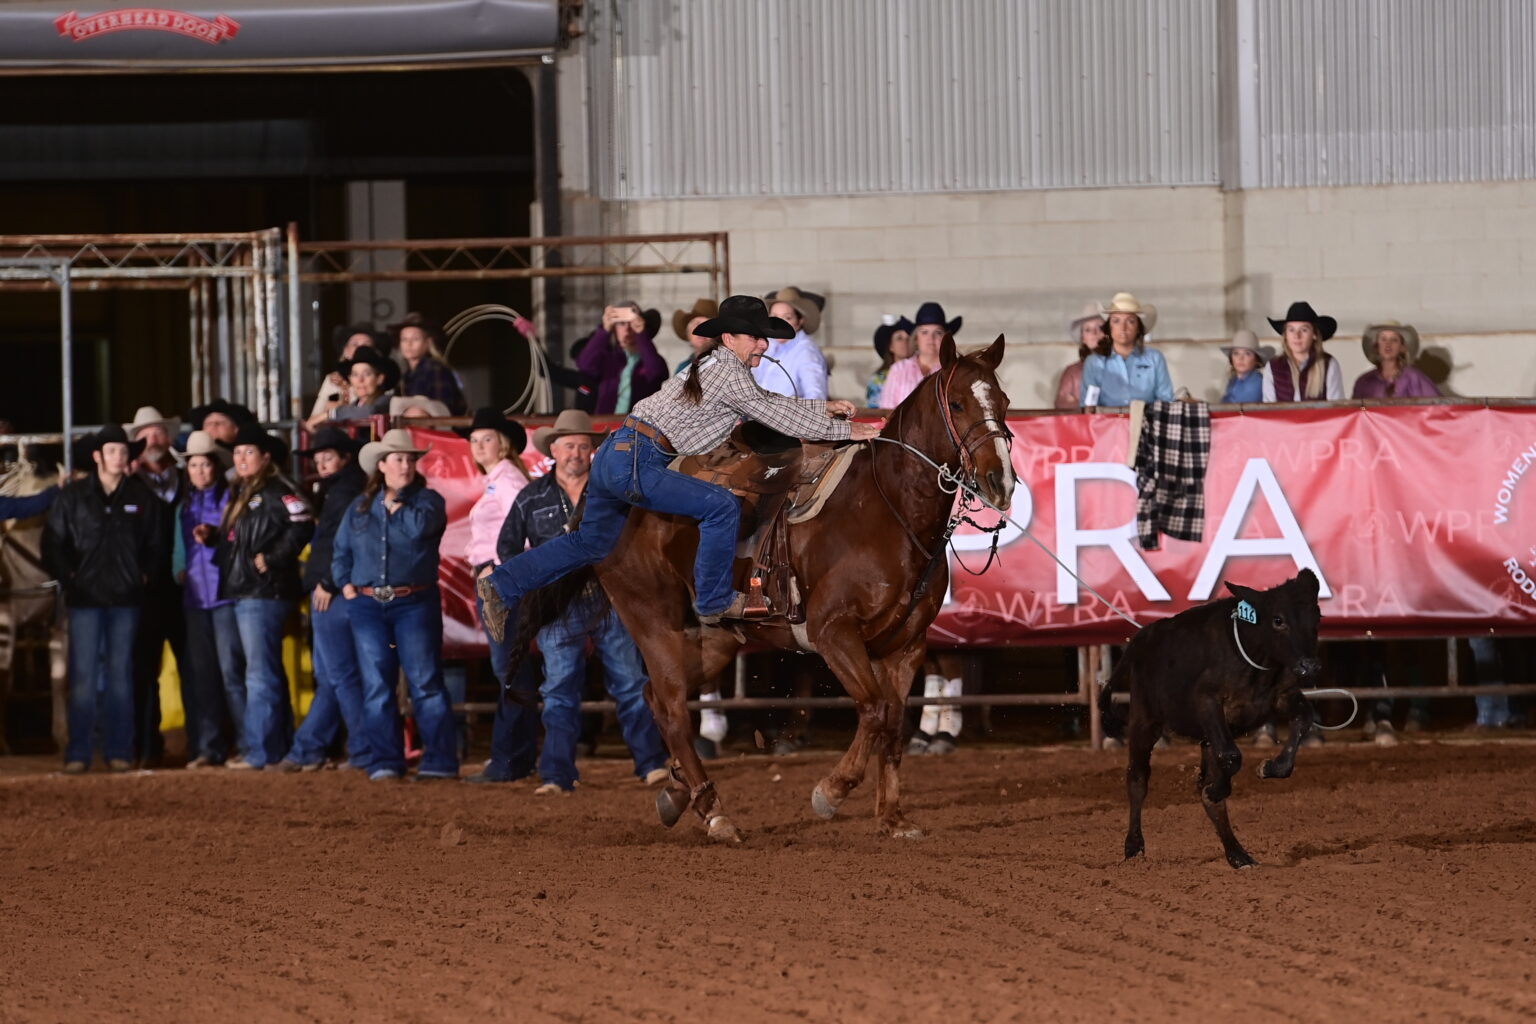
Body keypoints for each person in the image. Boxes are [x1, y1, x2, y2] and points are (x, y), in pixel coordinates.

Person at [479, 294, 882, 635]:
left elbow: (766, 404)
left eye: (764, 337)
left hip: (615, 455)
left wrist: (822, 407)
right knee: (722, 506)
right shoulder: (727, 370)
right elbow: (768, 412)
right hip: (640, 459)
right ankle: (714, 599)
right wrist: (845, 431)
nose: (763, 344)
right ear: (729, 338)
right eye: (756, 337)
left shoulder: (716, 366)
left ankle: (501, 585)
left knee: (590, 542)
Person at [495, 410, 670, 794]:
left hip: (611, 599)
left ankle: (651, 763)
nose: (576, 452)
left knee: (629, 683)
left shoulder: (611, 491)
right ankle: (558, 775)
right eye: (569, 445)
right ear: (553, 449)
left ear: (593, 450)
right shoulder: (532, 496)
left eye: (583, 445)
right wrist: (532, 586)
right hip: (559, 605)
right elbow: (507, 548)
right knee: (560, 689)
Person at [332, 429, 456, 781]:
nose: (405, 464)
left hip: (414, 600)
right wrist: (347, 586)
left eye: (410, 459)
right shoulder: (359, 508)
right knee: (377, 685)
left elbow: (419, 529)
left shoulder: (428, 501)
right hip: (370, 605)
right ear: (382, 465)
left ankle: (440, 761)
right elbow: (341, 552)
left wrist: (396, 505)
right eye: (398, 458)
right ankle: (386, 760)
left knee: (425, 681)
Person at [42, 425, 164, 773]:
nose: (119, 457)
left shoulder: (142, 498)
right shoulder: (73, 497)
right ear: (98, 456)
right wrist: (70, 576)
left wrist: (144, 575)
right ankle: (79, 752)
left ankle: (118, 750)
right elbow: (52, 543)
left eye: (124, 452)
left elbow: (156, 545)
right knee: (82, 676)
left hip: (126, 598)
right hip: (85, 599)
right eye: (113, 451)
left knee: (120, 675)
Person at [216, 423, 313, 770]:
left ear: (265, 457)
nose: (241, 458)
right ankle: (272, 746)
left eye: (249, 452)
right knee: (263, 671)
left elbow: (303, 521)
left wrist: (272, 558)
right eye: (238, 452)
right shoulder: (246, 492)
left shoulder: (274, 490)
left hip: (263, 592)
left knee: (259, 674)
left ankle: (261, 751)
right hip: (251, 590)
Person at [275, 428, 371, 772]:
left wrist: (329, 581)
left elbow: (341, 542)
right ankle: (314, 747)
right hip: (335, 587)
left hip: (331, 590)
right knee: (336, 675)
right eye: (318, 459)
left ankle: (350, 749)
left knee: (339, 674)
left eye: (327, 457)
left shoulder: (343, 491)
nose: (321, 464)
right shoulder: (342, 489)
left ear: (345, 458)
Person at [453, 408, 539, 784]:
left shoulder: (506, 481)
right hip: (498, 578)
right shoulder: (502, 478)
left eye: (486, 438)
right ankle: (515, 757)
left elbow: (524, 531)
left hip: (500, 579)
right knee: (511, 668)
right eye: (474, 440)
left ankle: (508, 759)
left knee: (509, 669)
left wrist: (500, 567)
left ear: (502, 444)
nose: (478, 446)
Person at [171, 430, 246, 768]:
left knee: (232, 674)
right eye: (194, 465)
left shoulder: (230, 500)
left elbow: (234, 541)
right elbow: (178, 549)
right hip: (196, 600)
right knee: (205, 676)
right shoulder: (185, 505)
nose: (199, 471)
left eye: (205, 464)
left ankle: (247, 743)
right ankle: (210, 747)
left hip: (224, 598)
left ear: (215, 467)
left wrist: (214, 539)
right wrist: (178, 571)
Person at [125, 405, 186, 765]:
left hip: (185, 590)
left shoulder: (188, 477)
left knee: (194, 669)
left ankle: (206, 744)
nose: (154, 439)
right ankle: (146, 747)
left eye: (160, 432)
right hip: (144, 592)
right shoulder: (129, 485)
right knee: (143, 671)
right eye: (146, 434)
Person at [1080, 292, 1174, 407]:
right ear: (1109, 327)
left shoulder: (1155, 358)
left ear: (1138, 327)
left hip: (1147, 422)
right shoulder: (1094, 362)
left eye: (1130, 321)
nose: (1123, 328)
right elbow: (1088, 406)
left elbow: (1166, 400)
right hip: (1106, 423)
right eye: (1116, 321)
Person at [576, 301, 669, 415]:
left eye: (631, 322)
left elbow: (656, 374)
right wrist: (604, 330)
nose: (627, 329)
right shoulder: (609, 359)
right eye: (621, 323)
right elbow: (584, 365)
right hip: (608, 426)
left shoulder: (650, 358)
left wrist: (641, 334)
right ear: (614, 328)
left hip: (639, 427)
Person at [879, 301, 962, 408]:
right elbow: (887, 411)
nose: (931, 338)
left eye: (938, 332)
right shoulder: (899, 370)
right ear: (916, 338)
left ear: (946, 338)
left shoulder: (956, 371)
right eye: (924, 332)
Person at [1261, 300, 1345, 402]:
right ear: (1286, 335)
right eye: (1291, 330)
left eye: (1304, 330)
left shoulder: (1329, 364)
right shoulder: (1273, 366)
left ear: (1314, 335)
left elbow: (1336, 408)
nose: (1297, 336)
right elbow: (1269, 410)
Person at [756, 286, 830, 400]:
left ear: (799, 321)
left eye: (787, 318)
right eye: (774, 317)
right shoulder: (769, 345)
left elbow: (816, 397)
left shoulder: (806, 352)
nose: (779, 323)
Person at [307, 325, 387, 425]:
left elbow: (373, 410)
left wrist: (336, 411)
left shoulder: (383, 381)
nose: (361, 349)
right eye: (355, 344)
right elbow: (315, 416)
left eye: (366, 345)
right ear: (346, 351)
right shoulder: (332, 379)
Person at [395, 312, 467, 415]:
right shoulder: (407, 375)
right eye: (404, 339)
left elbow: (444, 407)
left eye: (415, 339)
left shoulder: (434, 368)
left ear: (428, 342)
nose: (408, 344)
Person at [310, 346, 399, 429]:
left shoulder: (386, 401)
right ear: (350, 379)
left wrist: (330, 414)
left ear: (380, 379)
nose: (360, 380)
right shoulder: (355, 404)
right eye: (355, 374)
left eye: (367, 374)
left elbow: (370, 412)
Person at [1352, 320, 1440, 399]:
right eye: (1383, 339)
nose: (1388, 344)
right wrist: (1365, 410)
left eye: (1394, 340)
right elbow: (1357, 411)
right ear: (1376, 346)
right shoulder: (1364, 382)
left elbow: (1438, 407)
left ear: (1402, 347)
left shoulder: (1413, 377)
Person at [1054, 303, 1108, 410]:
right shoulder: (1072, 371)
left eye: (1100, 328)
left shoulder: (1119, 366)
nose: (1094, 333)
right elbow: (1061, 404)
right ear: (1083, 338)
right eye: (1088, 329)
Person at [867, 315, 913, 408]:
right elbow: (873, 411)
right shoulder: (878, 380)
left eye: (908, 338)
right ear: (890, 346)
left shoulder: (921, 373)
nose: (905, 342)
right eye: (899, 338)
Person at [1220, 329, 1271, 404]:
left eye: (1247, 353)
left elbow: (1238, 409)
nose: (1240, 358)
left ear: (1256, 359)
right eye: (1236, 353)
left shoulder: (1257, 382)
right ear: (1231, 358)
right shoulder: (1233, 380)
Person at [672, 298, 719, 375]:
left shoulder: (726, 364)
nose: (702, 330)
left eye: (708, 325)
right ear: (688, 333)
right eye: (697, 324)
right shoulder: (683, 368)